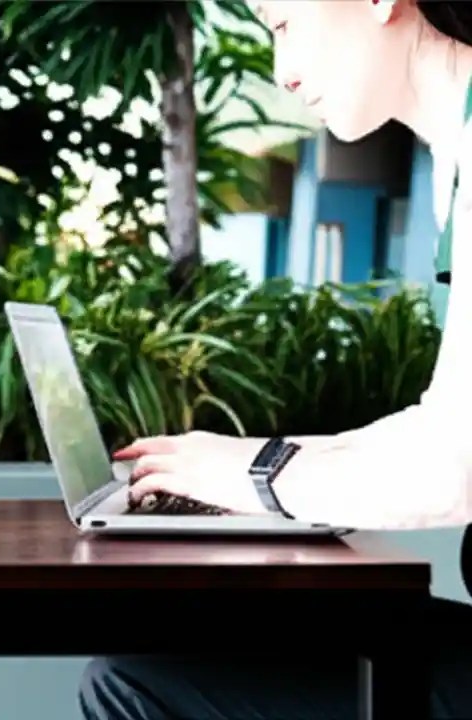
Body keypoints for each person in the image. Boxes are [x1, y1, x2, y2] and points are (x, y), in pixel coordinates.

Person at [79, 0, 472, 718]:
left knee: (137, 680)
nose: (281, 72)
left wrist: (255, 474)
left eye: (282, 23)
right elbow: (442, 423)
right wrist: (251, 460)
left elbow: (457, 466)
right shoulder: (456, 159)